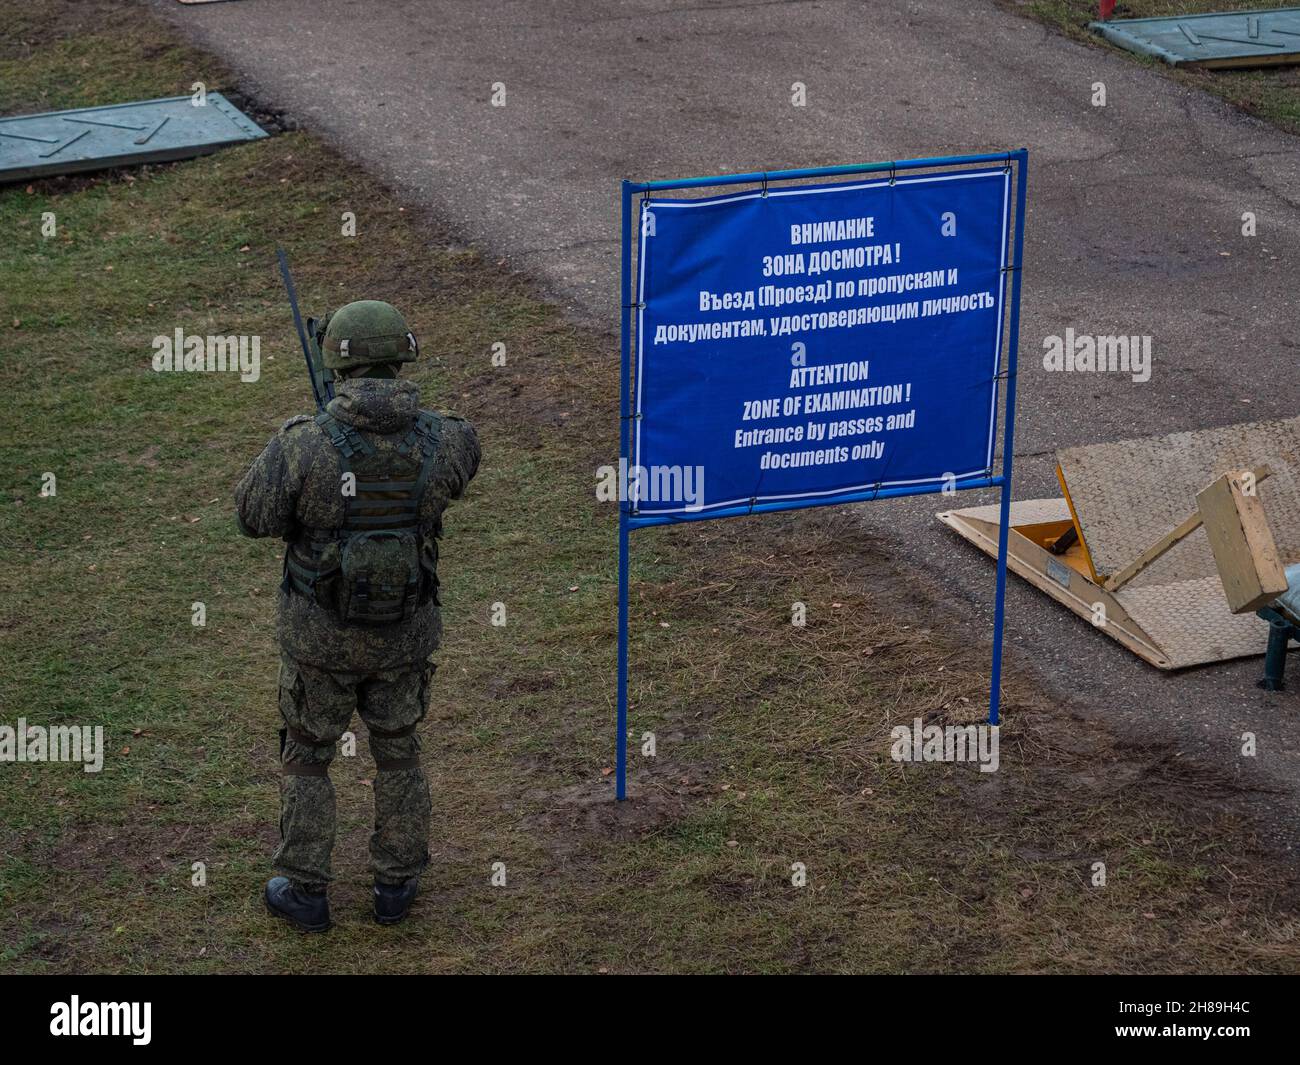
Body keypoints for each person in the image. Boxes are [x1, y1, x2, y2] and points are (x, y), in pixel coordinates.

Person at [235, 299, 479, 931]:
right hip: (405, 631)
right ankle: (397, 882)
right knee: (398, 747)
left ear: (336, 361)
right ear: (402, 355)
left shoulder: (303, 444)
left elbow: (254, 518)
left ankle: (305, 886)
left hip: (320, 638)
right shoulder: (447, 438)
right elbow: (458, 469)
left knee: (308, 751)